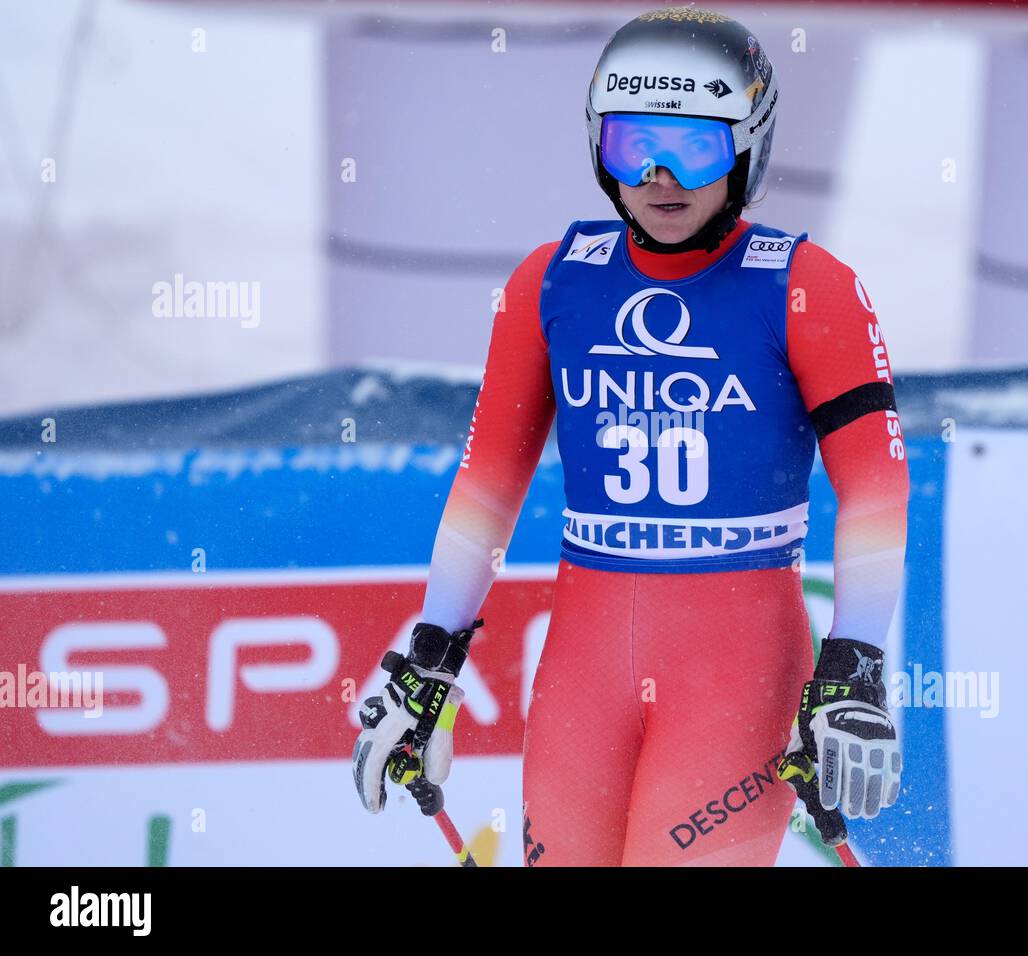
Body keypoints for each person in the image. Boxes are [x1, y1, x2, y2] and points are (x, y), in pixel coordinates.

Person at [352, 4, 910, 867]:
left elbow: (875, 485)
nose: (658, 175)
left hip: (736, 672)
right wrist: (429, 658)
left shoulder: (807, 286)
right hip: (585, 670)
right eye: (630, 145)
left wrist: (856, 667)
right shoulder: (551, 280)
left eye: (694, 147)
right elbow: (488, 481)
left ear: (750, 146)